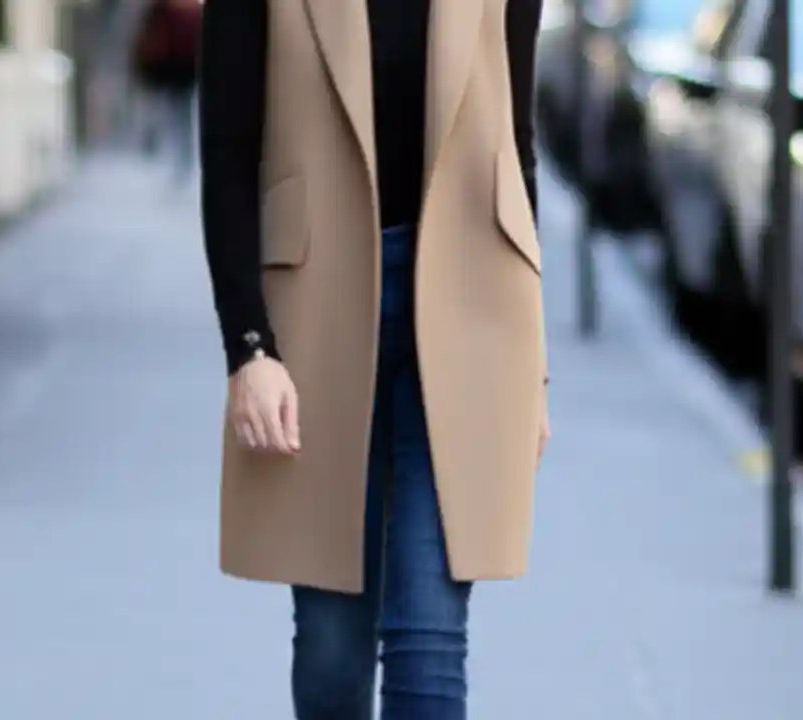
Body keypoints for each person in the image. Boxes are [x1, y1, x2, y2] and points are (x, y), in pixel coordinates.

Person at [199, 0, 548, 717]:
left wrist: (533, 368)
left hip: (469, 309)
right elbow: (229, 151)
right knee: (332, 647)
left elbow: (516, 139)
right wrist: (249, 348)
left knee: (430, 645)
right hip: (314, 313)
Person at [130, 0, 203, 183]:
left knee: (176, 113)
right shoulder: (167, 11)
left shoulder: (168, 11)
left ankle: (176, 154)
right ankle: (174, 153)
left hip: (177, 71)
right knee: (175, 113)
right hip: (174, 71)